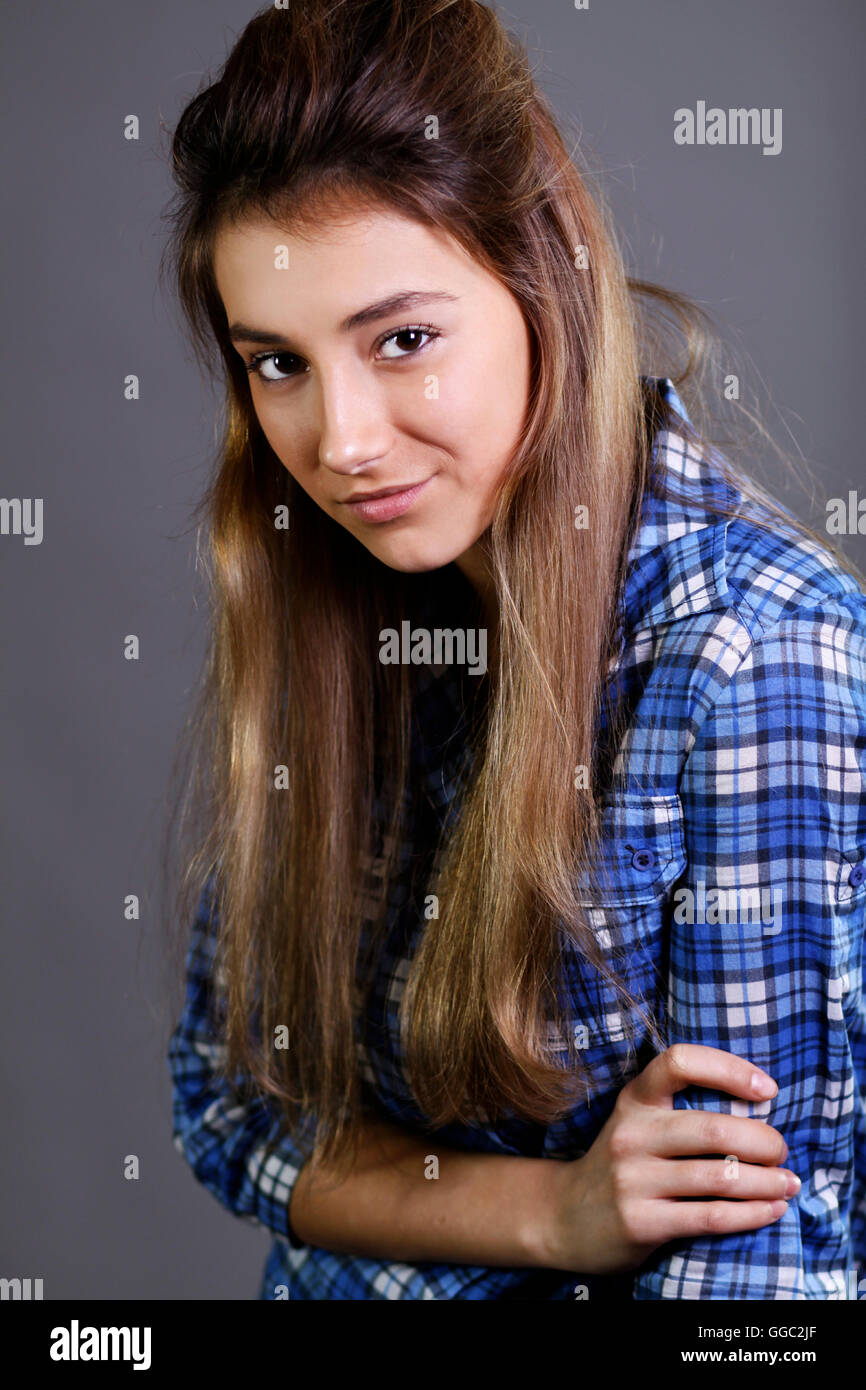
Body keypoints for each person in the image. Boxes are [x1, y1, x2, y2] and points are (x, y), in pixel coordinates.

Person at [162, 0, 866, 1299]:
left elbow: (753, 1286)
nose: (340, 440)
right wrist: (549, 1212)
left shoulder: (748, 653)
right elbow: (228, 1108)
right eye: (277, 363)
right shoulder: (339, 592)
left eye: (402, 340)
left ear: (542, 277)